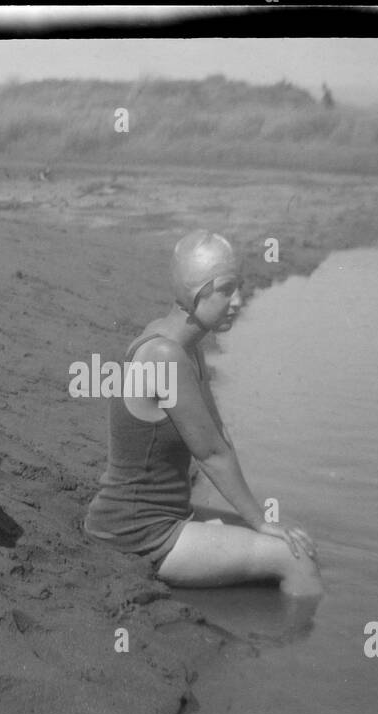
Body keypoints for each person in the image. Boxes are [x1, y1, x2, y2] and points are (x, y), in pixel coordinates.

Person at [83, 230, 323, 597]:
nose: (238, 300)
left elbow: (219, 436)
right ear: (194, 293)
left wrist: (258, 522)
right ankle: (298, 631)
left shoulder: (185, 347)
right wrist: (260, 522)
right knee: (296, 559)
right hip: (137, 532)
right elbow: (211, 454)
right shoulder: (164, 355)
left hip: (164, 516)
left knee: (298, 543)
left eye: (238, 287)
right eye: (226, 290)